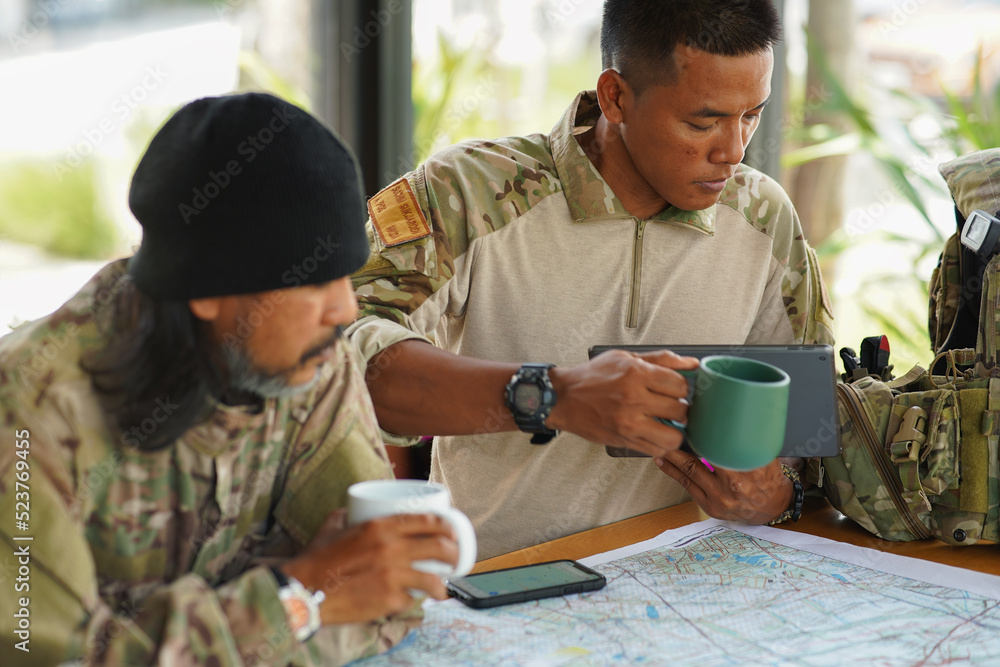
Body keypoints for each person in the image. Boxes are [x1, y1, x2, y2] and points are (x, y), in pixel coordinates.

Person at [349, 0, 835, 560]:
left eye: (751, 114)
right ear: (616, 97)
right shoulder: (468, 193)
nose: (734, 150)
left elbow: (806, 432)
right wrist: (556, 395)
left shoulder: (763, 218)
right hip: (507, 587)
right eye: (703, 122)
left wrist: (776, 496)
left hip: (698, 592)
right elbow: (339, 365)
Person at [0, 93, 459, 666]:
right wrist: (294, 603)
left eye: (347, 274)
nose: (344, 309)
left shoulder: (312, 360)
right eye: (312, 280)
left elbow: (384, 596)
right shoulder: (27, 413)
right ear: (209, 292)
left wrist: (288, 611)